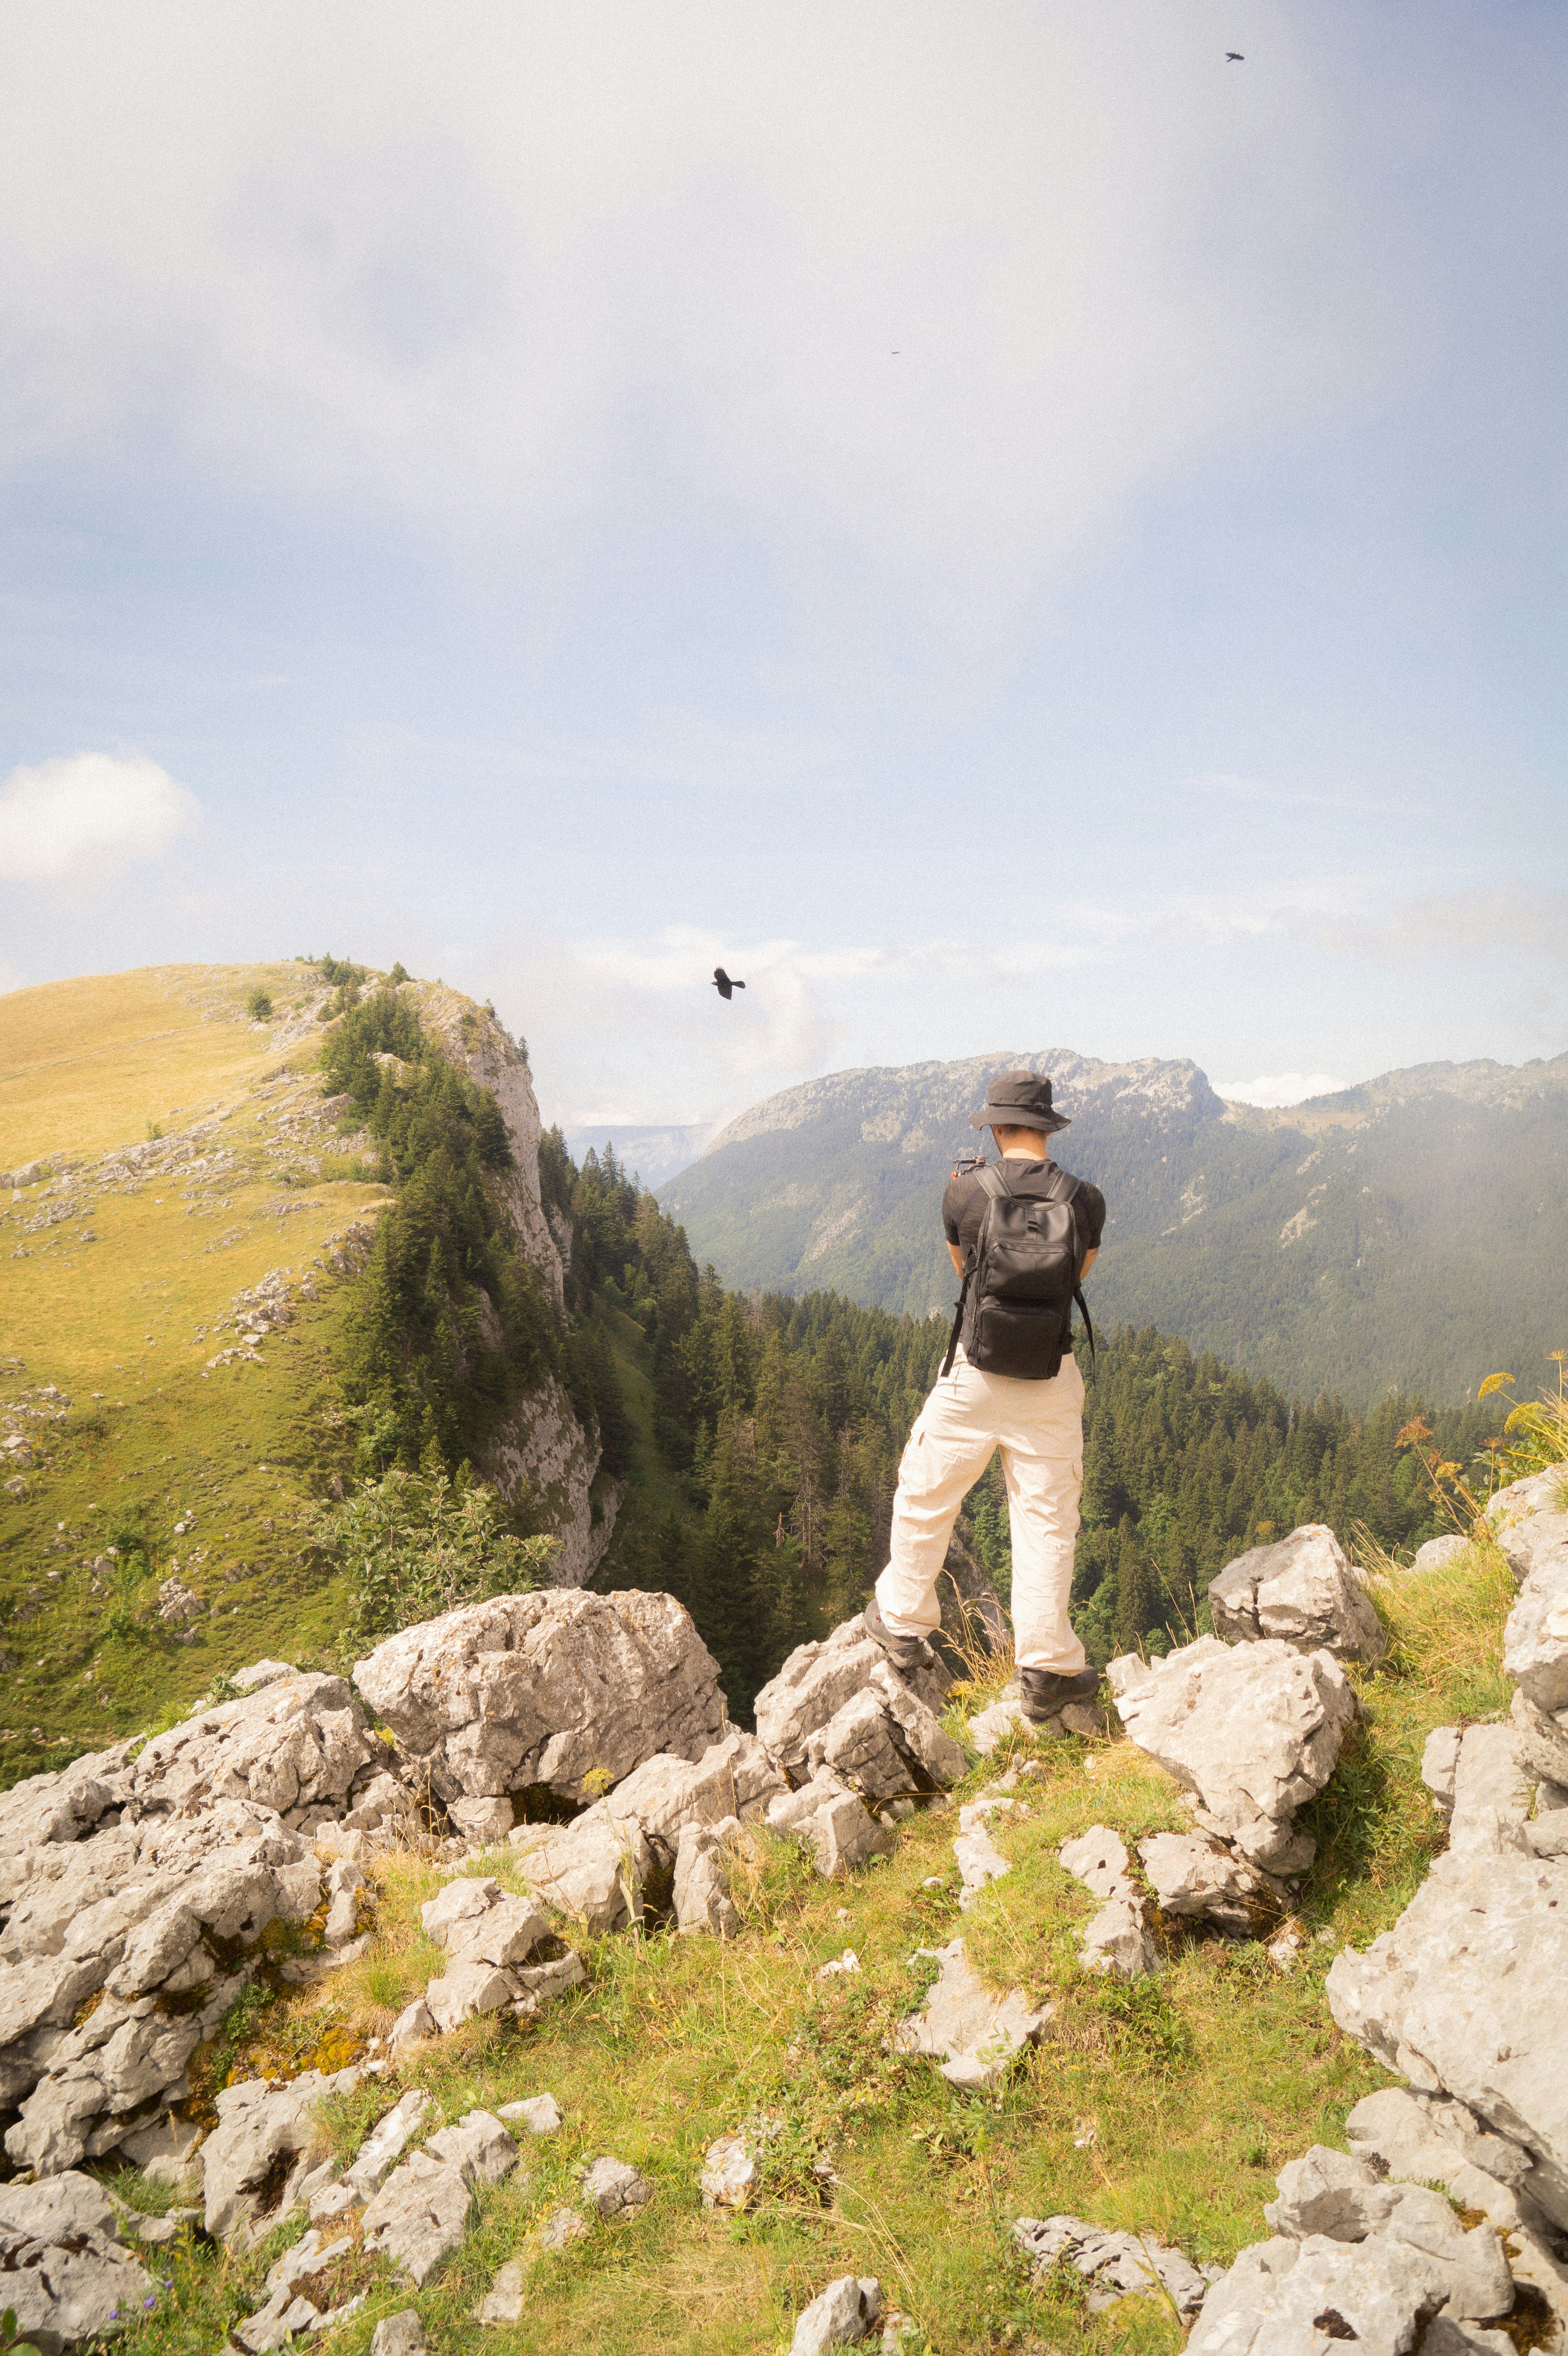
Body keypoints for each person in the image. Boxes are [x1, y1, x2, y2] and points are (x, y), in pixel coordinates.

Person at [864, 1068, 1105, 1721]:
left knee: (926, 1490)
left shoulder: (965, 1194)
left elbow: (963, 1274)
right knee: (1048, 1521)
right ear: (1049, 1128)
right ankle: (1048, 1669)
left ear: (996, 1128)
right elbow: (1076, 1277)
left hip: (974, 1371)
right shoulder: (1086, 1200)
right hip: (1050, 1380)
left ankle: (905, 1624)